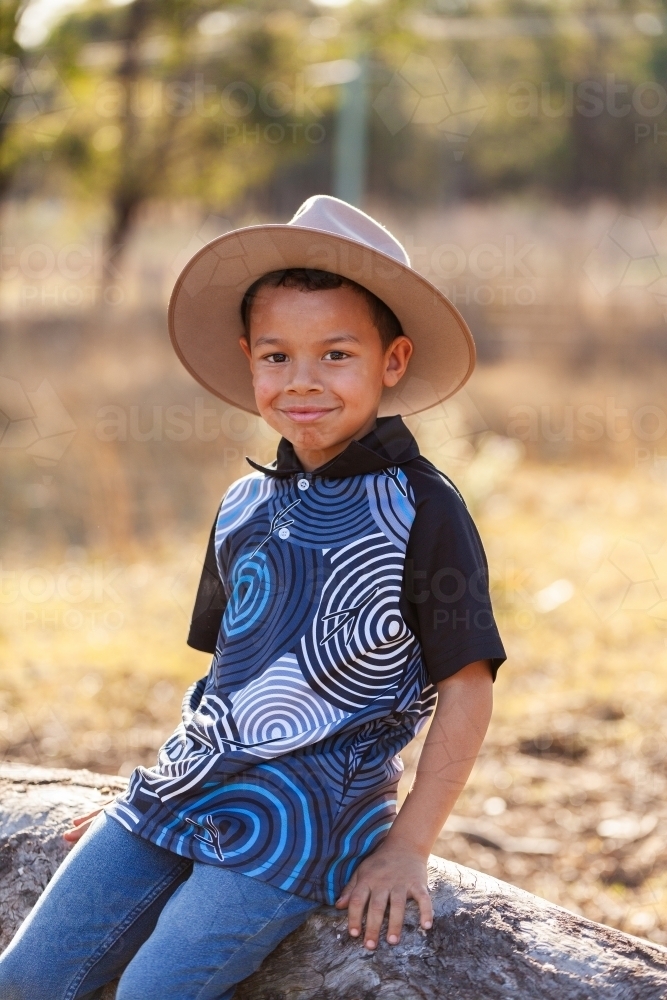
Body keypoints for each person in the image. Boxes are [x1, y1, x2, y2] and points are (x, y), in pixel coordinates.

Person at [0, 195, 506, 1000]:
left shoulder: (422, 509)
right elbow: (222, 684)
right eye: (276, 357)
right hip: (184, 790)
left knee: (153, 992)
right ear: (248, 359)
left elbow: (467, 688)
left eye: (335, 355)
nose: (301, 381)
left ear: (393, 361)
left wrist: (408, 845)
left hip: (305, 821)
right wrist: (143, 804)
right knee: (27, 976)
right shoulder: (243, 503)